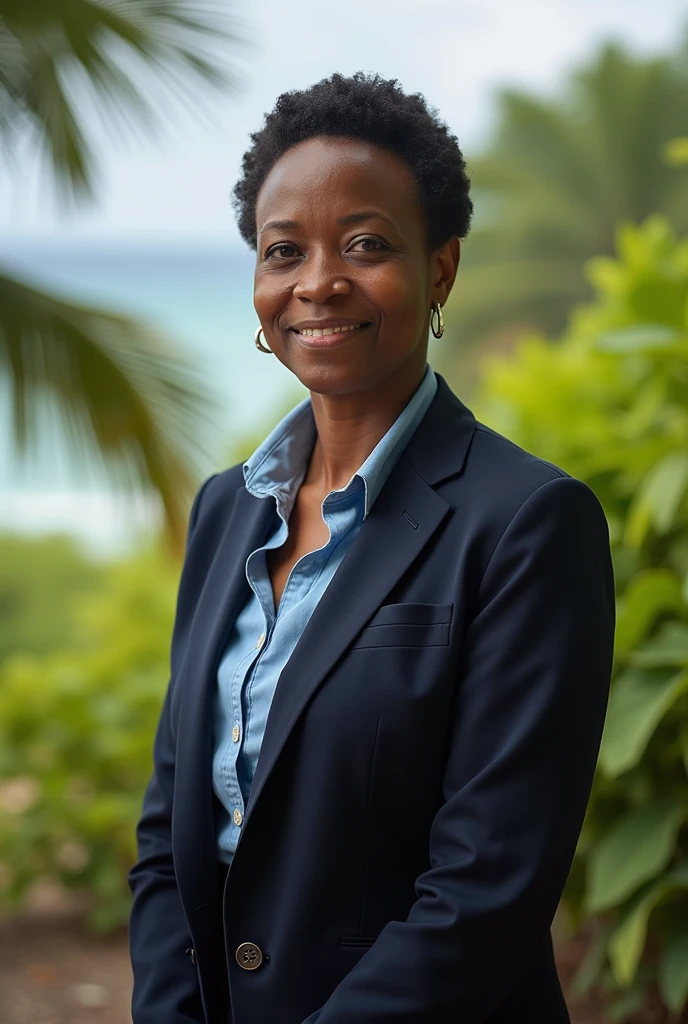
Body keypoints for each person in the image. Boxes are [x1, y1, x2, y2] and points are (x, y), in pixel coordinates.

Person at [127, 72, 615, 1024]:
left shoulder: (528, 523)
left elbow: (488, 889)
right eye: (284, 251)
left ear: (440, 270)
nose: (318, 282)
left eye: (366, 244)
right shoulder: (228, 510)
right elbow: (168, 829)